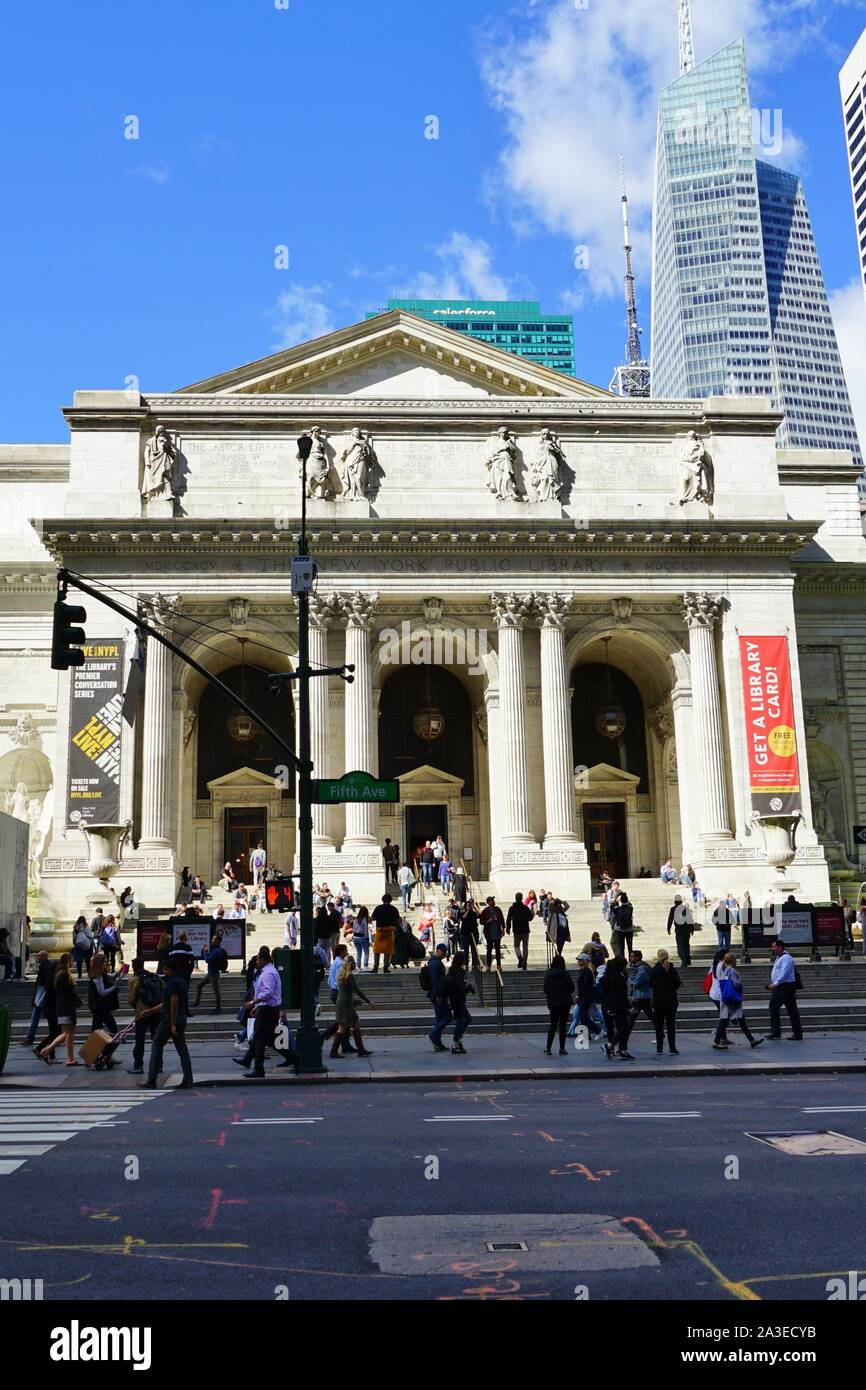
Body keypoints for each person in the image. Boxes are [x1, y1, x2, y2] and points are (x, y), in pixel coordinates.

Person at [138, 958, 194, 1089]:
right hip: (180, 1017)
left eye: (165, 969)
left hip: (170, 1019)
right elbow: (168, 1003)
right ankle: (188, 1078)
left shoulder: (172, 983)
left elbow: (173, 1003)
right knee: (182, 1049)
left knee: (156, 1045)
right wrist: (150, 1011)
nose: (163, 971)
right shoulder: (181, 982)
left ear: (170, 970)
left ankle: (151, 1080)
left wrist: (172, 1024)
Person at [234, 946, 283, 1079]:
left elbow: (267, 993)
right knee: (260, 1038)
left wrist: (253, 1003)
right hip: (266, 1008)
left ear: (263, 959)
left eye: (257, 960)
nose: (256, 962)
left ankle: (258, 1068)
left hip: (268, 1010)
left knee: (260, 1039)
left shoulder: (268, 973)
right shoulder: (268, 971)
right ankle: (248, 1061)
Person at [36, 955, 82, 1067]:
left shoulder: (59, 975)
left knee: (67, 1033)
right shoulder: (64, 975)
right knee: (69, 1033)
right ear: (67, 962)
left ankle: (49, 1052)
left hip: (62, 1006)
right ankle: (63, 1056)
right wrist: (78, 1000)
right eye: (71, 960)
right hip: (66, 1006)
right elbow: (69, 991)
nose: (72, 962)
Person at [714, 952, 763, 1050]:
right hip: (733, 998)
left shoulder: (723, 969)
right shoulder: (732, 971)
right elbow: (736, 984)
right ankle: (716, 1041)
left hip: (726, 997)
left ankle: (751, 1040)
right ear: (733, 961)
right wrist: (740, 982)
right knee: (727, 1020)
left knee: (733, 1019)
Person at [329, 957, 373, 1058]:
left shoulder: (341, 974)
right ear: (351, 964)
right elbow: (357, 990)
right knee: (342, 1028)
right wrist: (368, 1001)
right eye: (354, 963)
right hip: (346, 1005)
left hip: (345, 1003)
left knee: (356, 1024)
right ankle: (333, 1051)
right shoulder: (349, 976)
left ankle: (361, 1049)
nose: (355, 964)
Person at [126, 957, 162, 1074]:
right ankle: (158, 1065)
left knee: (139, 1040)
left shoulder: (134, 980)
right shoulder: (155, 977)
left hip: (141, 1013)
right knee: (156, 1040)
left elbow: (131, 999)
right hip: (156, 1012)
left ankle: (138, 1065)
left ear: (135, 966)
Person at [321, 944, 357, 1054]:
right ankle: (323, 1036)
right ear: (341, 952)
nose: (347, 952)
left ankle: (345, 1045)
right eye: (345, 950)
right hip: (339, 993)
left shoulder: (334, 963)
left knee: (345, 1019)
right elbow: (339, 981)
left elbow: (330, 980)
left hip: (334, 992)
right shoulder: (341, 963)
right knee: (344, 1019)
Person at [766, 939, 804, 1040]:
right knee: (773, 1007)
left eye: (774, 947)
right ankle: (775, 1032)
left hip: (786, 986)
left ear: (780, 947)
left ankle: (797, 1033)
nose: (772, 949)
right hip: (779, 987)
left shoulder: (786, 958)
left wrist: (775, 983)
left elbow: (784, 973)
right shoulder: (779, 958)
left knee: (792, 1010)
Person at [600, 955, 634, 1060]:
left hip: (609, 1005)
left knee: (620, 1028)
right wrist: (629, 1006)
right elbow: (620, 994)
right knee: (623, 1028)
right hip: (618, 1006)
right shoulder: (618, 977)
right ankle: (610, 1046)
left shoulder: (607, 976)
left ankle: (622, 1050)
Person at [649, 949, 681, 1054]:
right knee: (671, 1025)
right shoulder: (671, 969)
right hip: (671, 1000)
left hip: (658, 1001)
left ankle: (659, 1048)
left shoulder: (654, 970)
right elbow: (677, 983)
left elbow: (651, 984)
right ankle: (672, 1047)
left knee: (659, 1026)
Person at [543, 955, 575, 1056]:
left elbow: (545, 989)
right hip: (565, 1003)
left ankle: (548, 1048)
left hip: (553, 1003)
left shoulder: (548, 974)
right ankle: (562, 1048)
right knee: (562, 1025)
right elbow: (572, 989)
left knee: (553, 1025)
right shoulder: (565, 974)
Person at [19, 950, 51, 1048]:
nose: (37, 958)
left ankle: (30, 1038)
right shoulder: (46, 966)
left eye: (39, 956)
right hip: (42, 996)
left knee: (38, 1017)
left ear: (44, 957)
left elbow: (44, 982)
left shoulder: (46, 967)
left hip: (42, 996)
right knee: (46, 1019)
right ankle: (31, 1038)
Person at [446, 951, 474, 1055]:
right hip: (459, 999)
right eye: (466, 958)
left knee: (466, 1018)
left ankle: (458, 1039)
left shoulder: (451, 970)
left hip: (454, 999)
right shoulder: (460, 971)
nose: (467, 960)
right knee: (461, 1020)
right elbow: (461, 987)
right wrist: (469, 987)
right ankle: (456, 1042)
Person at [88, 953, 119, 1046]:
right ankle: (105, 1053)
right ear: (100, 963)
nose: (106, 963)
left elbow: (112, 976)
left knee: (96, 1030)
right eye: (105, 961)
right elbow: (102, 992)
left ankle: (92, 1052)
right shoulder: (98, 976)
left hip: (99, 1007)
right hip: (101, 1007)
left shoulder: (101, 974)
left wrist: (120, 973)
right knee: (112, 1028)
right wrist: (114, 987)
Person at [426, 942, 452, 1052]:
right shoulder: (436, 964)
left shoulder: (434, 962)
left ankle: (437, 1041)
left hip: (435, 994)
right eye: (443, 952)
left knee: (439, 1018)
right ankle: (434, 1035)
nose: (445, 954)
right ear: (438, 951)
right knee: (447, 1016)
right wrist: (439, 995)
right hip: (438, 995)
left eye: (445, 952)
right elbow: (437, 982)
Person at [194, 935, 226, 1013]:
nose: (211, 940)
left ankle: (218, 1009)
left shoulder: (217, 951)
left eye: (213, 939)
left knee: (216, 992)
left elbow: (208, 959)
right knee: (199, 985)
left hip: (214, 974)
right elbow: (208, 957)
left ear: (217, 941)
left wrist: (205, 951)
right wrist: (204, 951)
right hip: (210, 974)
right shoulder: (215, 950)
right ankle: (196, 1002)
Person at [371, 894, 400, 973]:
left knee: (377, 951)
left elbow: (373, 918)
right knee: (387, 951)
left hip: (380, 931)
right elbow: (398, 920)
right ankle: (386, 967)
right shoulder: (394, 909)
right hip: (389, 931)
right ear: (390, 900)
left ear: (382, 899)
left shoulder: (378, 908)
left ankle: (375, 967)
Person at [627, 951, 655, 1031]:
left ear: (637, 957)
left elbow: (637, 983)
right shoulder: (638, 968)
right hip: (641, 996)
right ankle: (660, 1034)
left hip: (640, 997)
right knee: (651, 1016)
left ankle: (622, 1038)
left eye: (632, 956)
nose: (630, 958)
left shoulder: (642, 968)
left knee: (631, 1020)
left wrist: (629, 980)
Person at [506, 892, 533, 970]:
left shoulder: (512, 908)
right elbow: (530, 918)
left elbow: (508, 919)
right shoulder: (525, 908)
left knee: (516, 946)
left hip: (517, 930)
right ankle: (524, 962)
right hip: (525, 930)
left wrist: (508, 928)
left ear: (515, 898)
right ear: (521, 898)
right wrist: (532, 912)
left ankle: (520, 958)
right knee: (525, 947)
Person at [667, 895, 695, 967]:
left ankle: (684, 961)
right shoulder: (686, 908)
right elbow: (690, 919)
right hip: (686, 930)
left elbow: (670, 919)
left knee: (680, 946)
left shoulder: (673, 909)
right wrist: (692, 929)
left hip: (679, 930)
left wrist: (668, 928)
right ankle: (687, 960)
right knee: (686, 945)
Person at [481, 896, 505, 972]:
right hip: (489, 933)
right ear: (488, 902)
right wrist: (488, 921)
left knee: (498, 950)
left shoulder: (498, 909)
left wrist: (503, 929)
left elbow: (502, 919)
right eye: (491, 901)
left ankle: (499, 966)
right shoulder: (485, 910)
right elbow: (481, 921)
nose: (492, 902)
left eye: (493, 900)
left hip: (497, 932)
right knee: (489, 950)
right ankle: (488, 966)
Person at [610, 892, 634, 958]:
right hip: (629, 929)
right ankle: (631, 961)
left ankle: (622, 961)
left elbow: (611, 907)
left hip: (620, 929)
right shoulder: (630, 907)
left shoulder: (617, 908)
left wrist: (616, 901)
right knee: (630, 947)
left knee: (621, 947)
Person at [352, 905, 371, 970]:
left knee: (358, 952)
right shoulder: (364, 919)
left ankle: (358, 966)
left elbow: (353, 929)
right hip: (362, 937)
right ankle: (365, 966)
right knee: (366, 952)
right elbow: (365, 930)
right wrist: (367, 939)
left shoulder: (355, 919)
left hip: (355, 937)